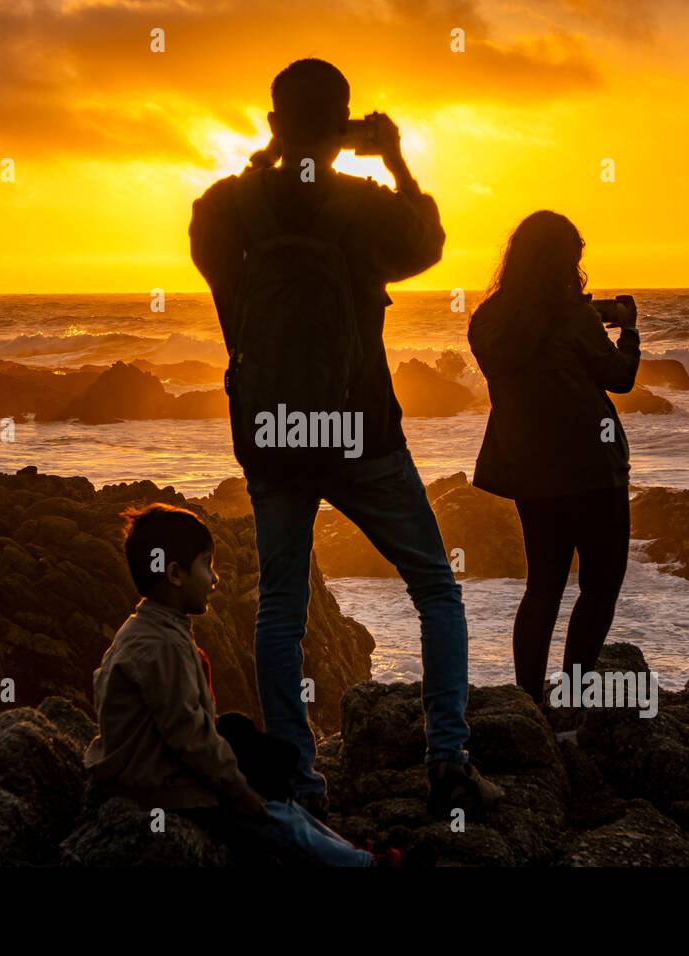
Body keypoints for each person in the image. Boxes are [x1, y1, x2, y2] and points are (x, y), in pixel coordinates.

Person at [189, 57, 502, 821]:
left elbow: (211, 257)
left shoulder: (225, 210)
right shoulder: (365, 209)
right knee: (434, 586)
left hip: (270, 433)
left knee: (280, 609)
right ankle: (448, 759)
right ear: (342, 128)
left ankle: (298, 782)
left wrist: (269, 159)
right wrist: (392, 156)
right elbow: (428, 241)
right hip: (360, 432)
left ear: (271, 123)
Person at [84, 503, 388, 866]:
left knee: (249, 750)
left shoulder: (144, 629)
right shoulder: (161, 646)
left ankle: (352, 851)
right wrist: (236, 788)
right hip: (159, 791)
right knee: (271, 813)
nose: (215, 579)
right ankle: (362, 864)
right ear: (176, 574)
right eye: (207, 565)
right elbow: (189, 737)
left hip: (145, 772)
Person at [467, 211, 640, 706]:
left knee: (542, 588)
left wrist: (586, 314)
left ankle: (529, 702)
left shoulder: (488, 320)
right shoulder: (572, 316)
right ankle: (578, 696)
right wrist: (627, 330)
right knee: (600, 586)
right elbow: (620, 376)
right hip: (592, 468)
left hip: (531, 470)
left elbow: (536, 341)